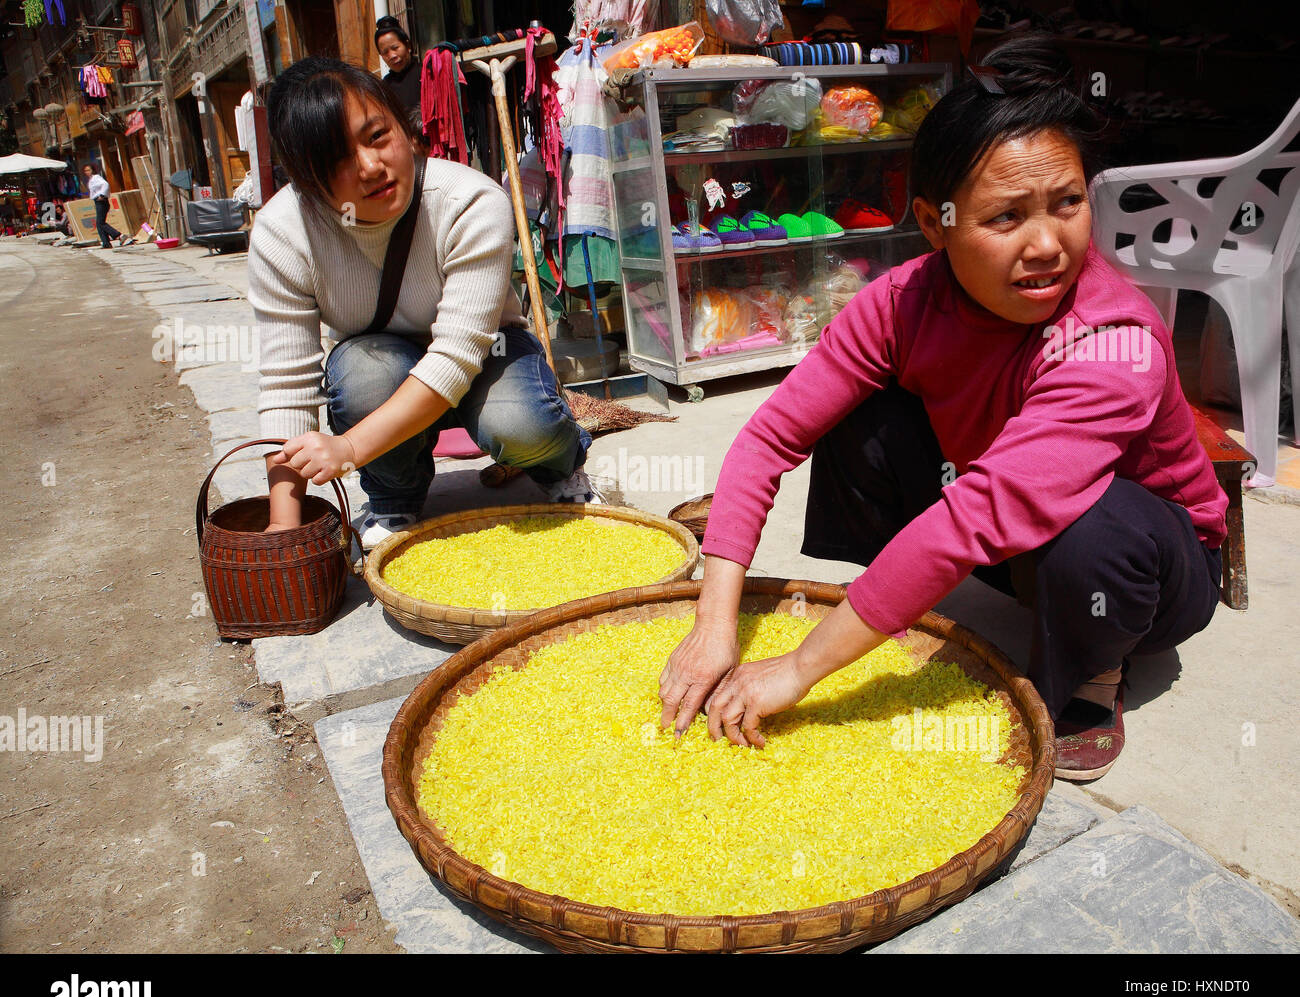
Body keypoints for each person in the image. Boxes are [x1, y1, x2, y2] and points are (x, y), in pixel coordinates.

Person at [657, 35, 1227, 783]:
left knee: (1094, 526)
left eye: (1067, 204)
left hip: (1149, 570)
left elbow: (982, 510)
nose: (1049, 244)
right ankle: (881, 607)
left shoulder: (1111, 341)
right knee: (858, 419)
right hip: (1007, 538)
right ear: (934, 224)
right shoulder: (900, 303)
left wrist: (797, 670)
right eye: (1005, 218)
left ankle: (1092, 676)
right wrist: (713, 622)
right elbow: (772, 436)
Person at [248, 56, 600, 552]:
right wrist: (285, 523)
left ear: (407, 130)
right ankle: (394, 496)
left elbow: (455, 358)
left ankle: (561, 464)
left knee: (520, 424)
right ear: (306, 179)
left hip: (486, 354)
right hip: (380, 362)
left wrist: (348, 449)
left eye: (376, 136)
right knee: (363, 372)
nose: (371, 167)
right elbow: (287, 382)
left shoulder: (469, 201)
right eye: (337, 159)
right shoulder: (282, 232)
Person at [375, 15, 423, 137]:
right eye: (385, 52)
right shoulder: (384, 87)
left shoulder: (425, 73)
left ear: (408, 46)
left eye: (395, 48)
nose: (392, 55)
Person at [82, 163, 130, 248]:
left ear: (92, 170)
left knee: (101, 222)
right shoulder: (91, 179)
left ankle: (119, 235)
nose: (87, 172)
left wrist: (102, 195)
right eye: (85, 171)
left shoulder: (96, 177)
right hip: (97, 201)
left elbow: (105, 184)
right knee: (99, 223)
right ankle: (106, 243)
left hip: (101, 201)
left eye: (88, 170)